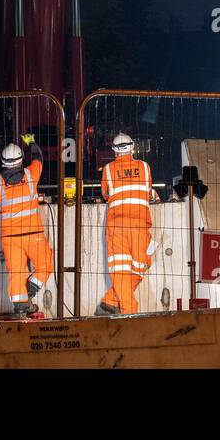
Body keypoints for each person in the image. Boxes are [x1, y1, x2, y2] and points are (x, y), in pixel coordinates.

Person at [96, 133, 158, 316]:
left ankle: (114, 301)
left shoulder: (108, 169)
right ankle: (125, 309)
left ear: (114, 151)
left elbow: (106, 194)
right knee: (141, 265)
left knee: (121, 270)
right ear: (133, 148)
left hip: (117, 226)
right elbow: (147, 190)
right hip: (140, 224)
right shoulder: (144, 167)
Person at [0, 136, 54, 317]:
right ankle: (30, 290)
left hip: (10, 238)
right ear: (21, 160)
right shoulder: (30, 174)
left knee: (16, 271)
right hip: (33, 233)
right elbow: (39, 158)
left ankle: (20, 308)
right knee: (45, 264)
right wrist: (32, 142)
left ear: (3, 162)